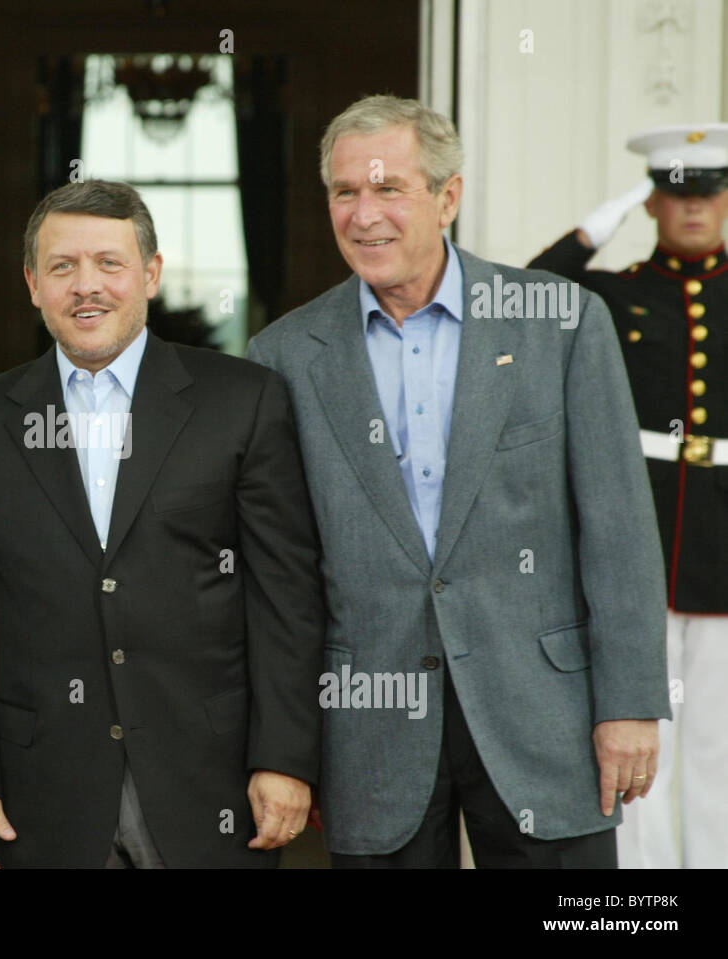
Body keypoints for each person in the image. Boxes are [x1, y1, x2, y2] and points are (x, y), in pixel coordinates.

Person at [247, 95, 669, 868]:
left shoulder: (560, 323)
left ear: (448, 196)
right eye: (346, 191)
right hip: (372, 728)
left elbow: (618, 527)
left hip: (548, 714)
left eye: (388, 188)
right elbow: (281, 579)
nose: (364, 213)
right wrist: (284, 745)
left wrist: (631, 703)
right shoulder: (281, 358)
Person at [0, 179, 325, 868]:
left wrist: (285, 757)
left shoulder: (243, 402)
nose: (86, 286)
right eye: (62, 266)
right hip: (38, 793)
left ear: (151, 275)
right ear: (32, 283)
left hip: (211, 782)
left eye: (109, 263)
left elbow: (286, 597)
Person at [528, 124, 728, 868]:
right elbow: (526, 296)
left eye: (709, 192)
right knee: (638, 739)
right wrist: (591, 230)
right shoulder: (614, 294)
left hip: (722, 549)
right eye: (677, 195)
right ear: (653, 205)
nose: (695, 208)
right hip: (633, 536)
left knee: (719, 745)